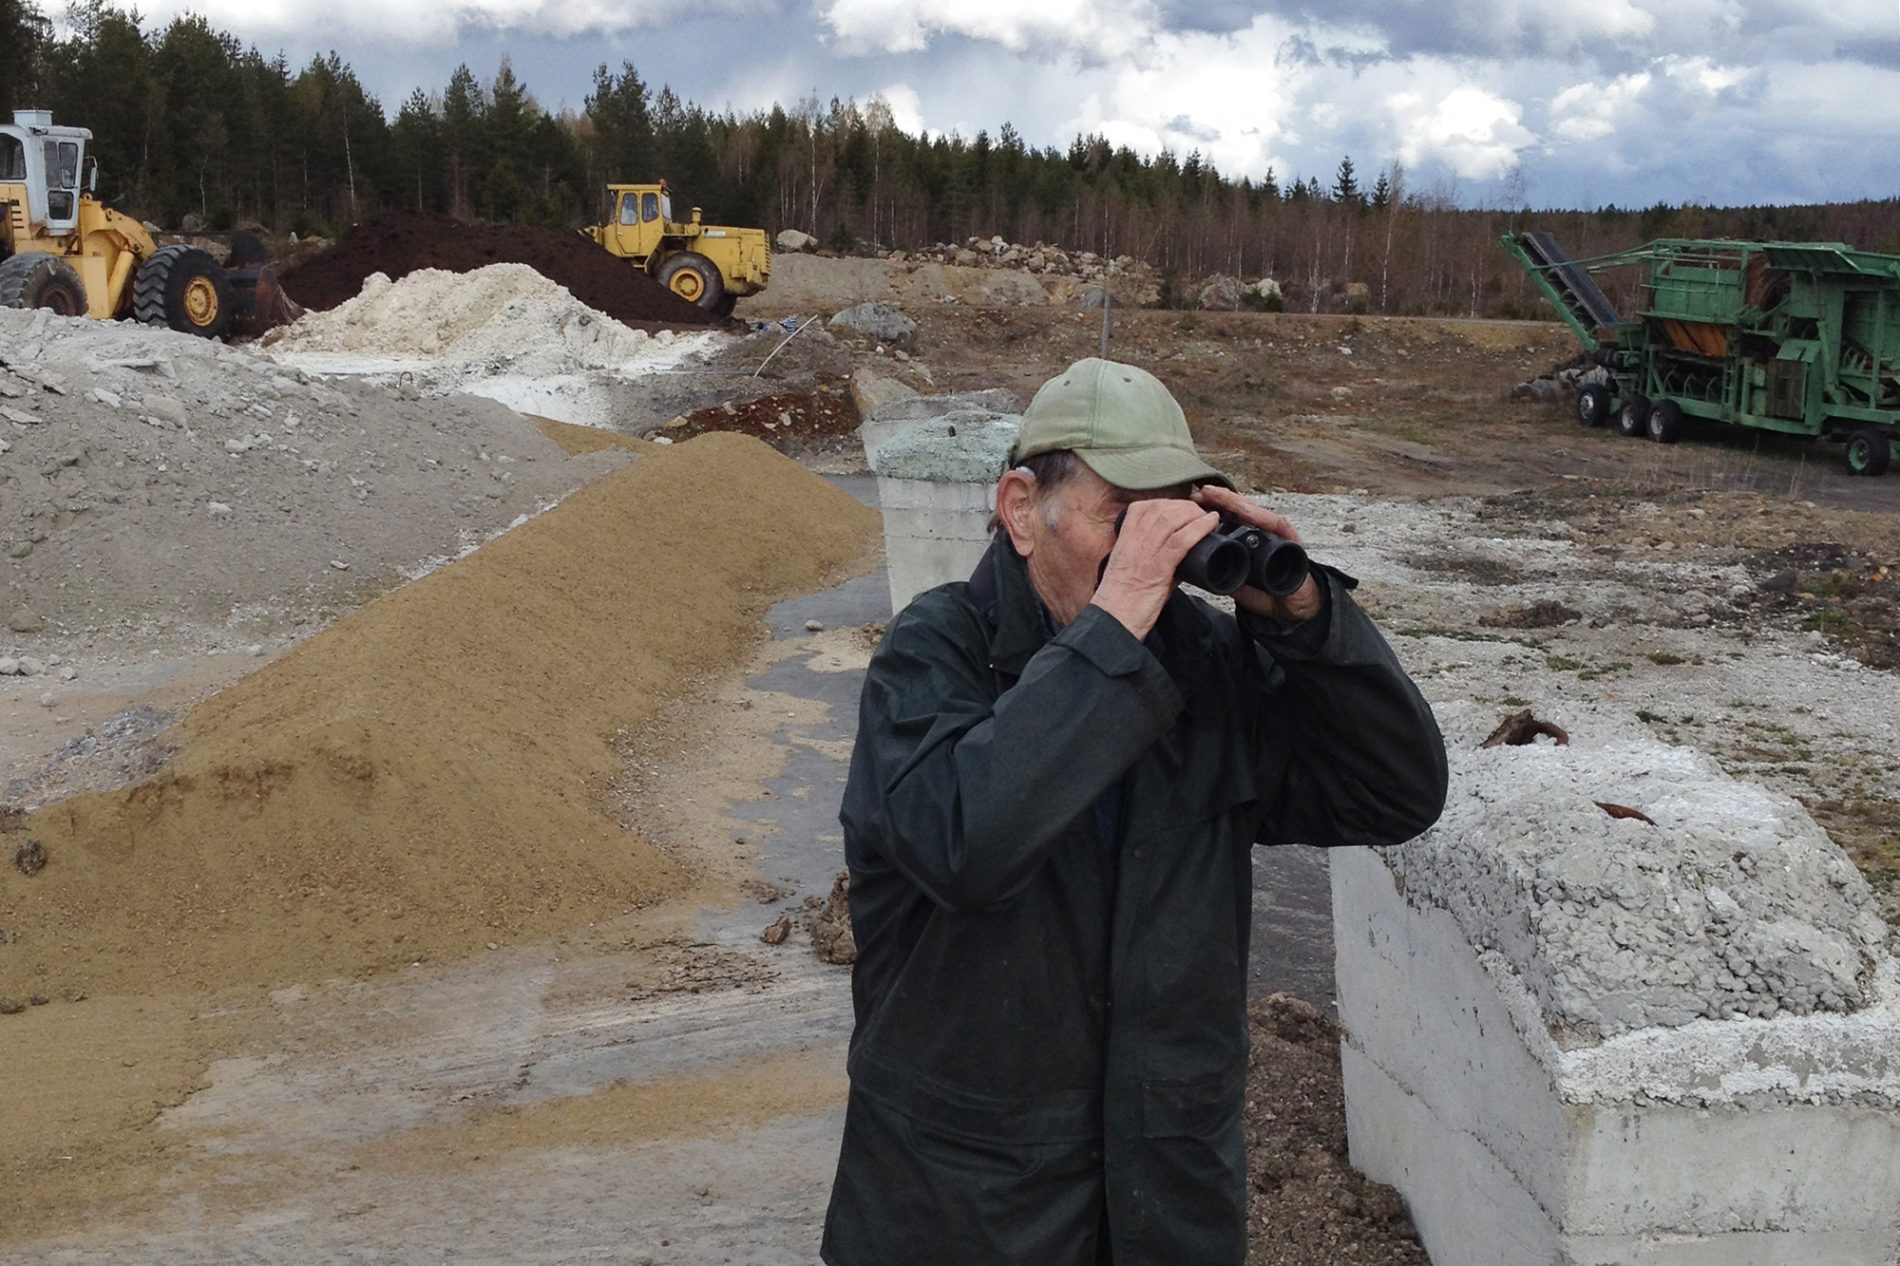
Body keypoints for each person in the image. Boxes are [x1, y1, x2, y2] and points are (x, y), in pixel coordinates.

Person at [821, 357, 1447, 1266]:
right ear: (1022, 510)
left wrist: (1304, 615)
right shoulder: (936, 653)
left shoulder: (1201, 666)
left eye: (1176, 520)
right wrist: (1109, 634)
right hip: (967, 1211)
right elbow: (967, 842)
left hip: (1165, 1200)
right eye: (1124, 517)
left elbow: (1395, 791)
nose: (1150, 554)